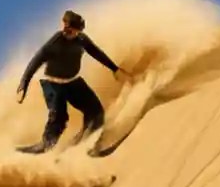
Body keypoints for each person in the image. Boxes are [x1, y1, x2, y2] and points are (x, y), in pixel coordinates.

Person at [16, 10, 133, 153]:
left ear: (78, 31)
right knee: (59, 118)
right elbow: (35, 62)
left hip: (73, 82)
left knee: (96, 112)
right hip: (53, 84)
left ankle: (84, 143)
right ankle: (45, 146)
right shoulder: (55, 42)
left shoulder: (82, 40)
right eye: (65, 27)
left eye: (70, 30)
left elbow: (96, 53)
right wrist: (24, 83)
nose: (66, 32)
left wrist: (114, 69)